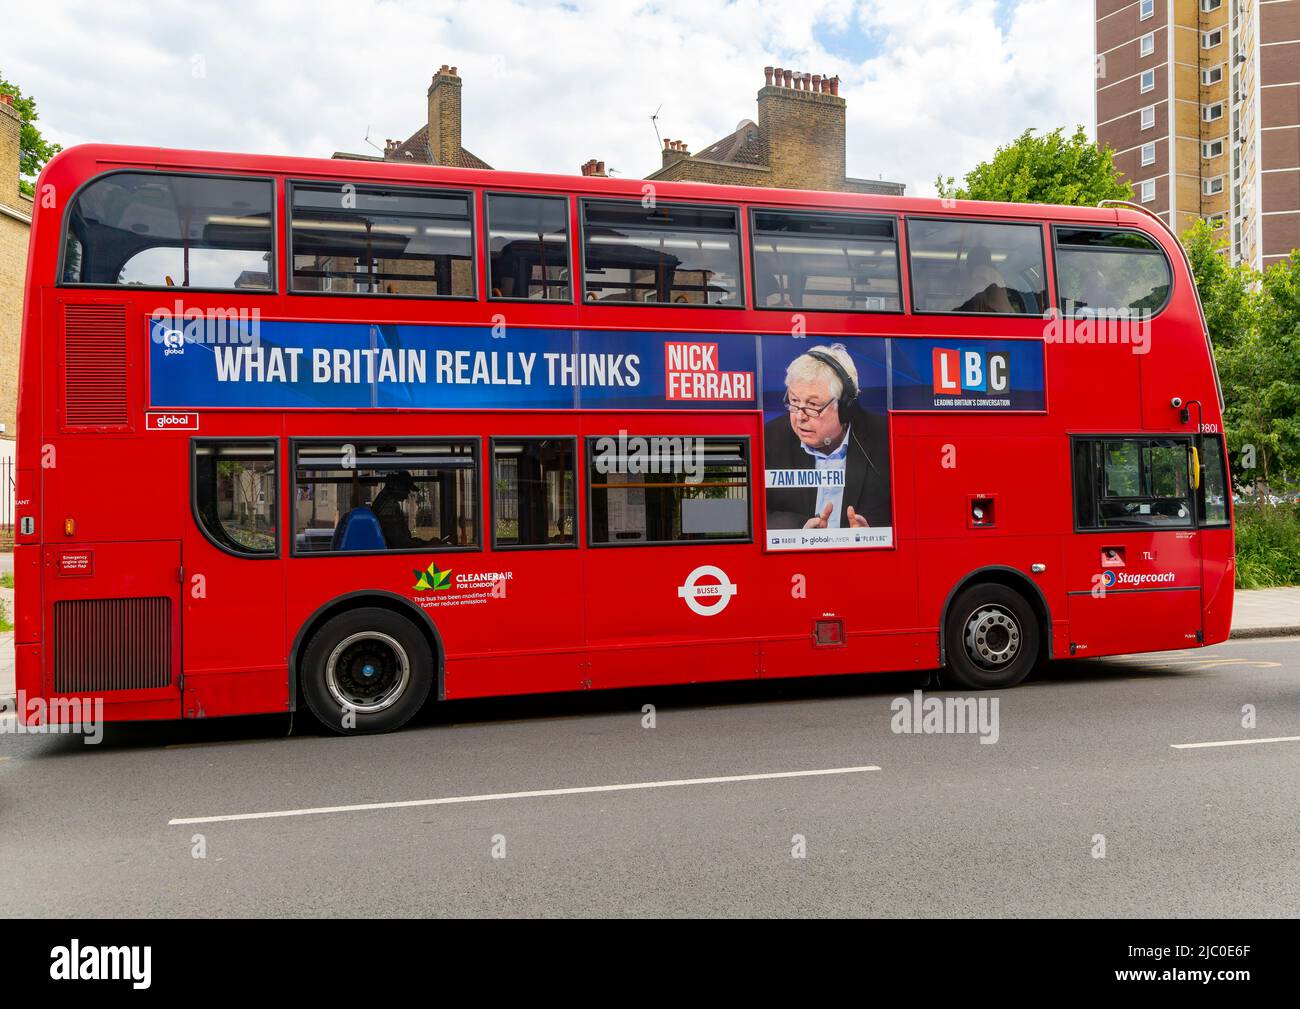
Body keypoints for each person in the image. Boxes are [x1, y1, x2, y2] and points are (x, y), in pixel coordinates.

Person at [764, 344, 891, 530]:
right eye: (794, 401)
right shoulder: (771, 438)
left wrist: (873, 534)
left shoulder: (887, 439)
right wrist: (799, 531)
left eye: (813, 405)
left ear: (846, 407)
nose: (800, 416)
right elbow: (754, 516)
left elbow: (914, 517)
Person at [370, 470, 426, 548]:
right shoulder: (389, 507)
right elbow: (400, 542)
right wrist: (425, 544)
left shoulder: (385, 502)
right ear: (396, 487)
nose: (407, 495)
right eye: (406, 489)